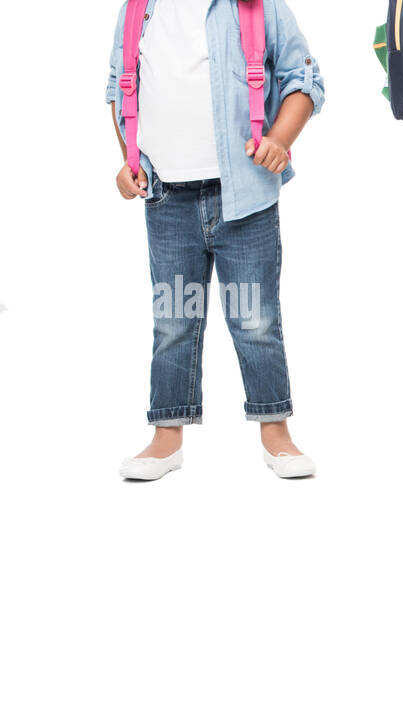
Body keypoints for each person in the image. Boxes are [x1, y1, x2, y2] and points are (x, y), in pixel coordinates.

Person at [108, 0, 325, 481]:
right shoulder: (138, 10)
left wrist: (279, 138)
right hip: (165, 195)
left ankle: (276, 431)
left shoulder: (257, 6)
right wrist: (128, 159)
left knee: (255, 319)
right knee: (173, 319)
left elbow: (304, 80)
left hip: (243, 196)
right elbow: (121, 89)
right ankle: (166, 436)